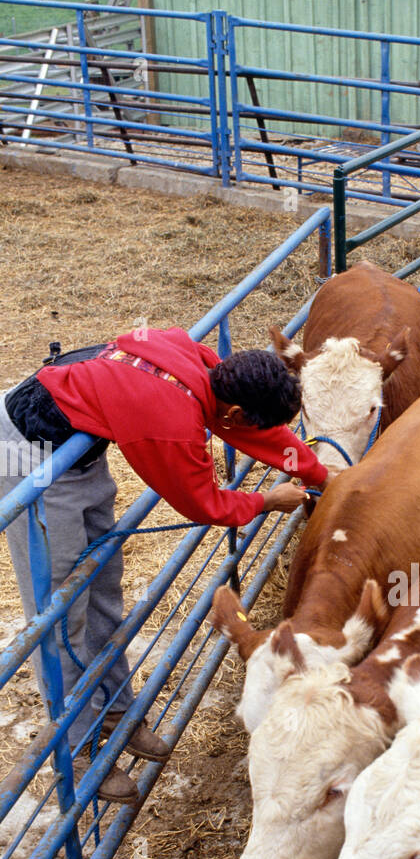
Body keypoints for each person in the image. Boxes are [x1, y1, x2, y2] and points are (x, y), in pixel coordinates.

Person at [0, 326, 326, 801]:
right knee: (59, 613)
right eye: (246, 423)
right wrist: (264, 501)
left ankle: (116, 712)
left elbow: (258, 434)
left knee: (104, 589)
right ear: (234, 413)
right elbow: (203, 503)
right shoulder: (171, 422)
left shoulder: (206, 366)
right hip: (31, 455)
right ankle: (78, 748)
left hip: (80, 452)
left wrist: (319, 473)